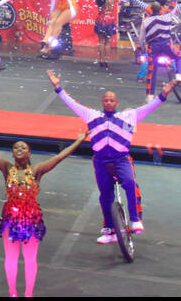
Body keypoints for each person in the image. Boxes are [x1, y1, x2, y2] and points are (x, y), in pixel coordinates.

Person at [46, 68, 174, 243]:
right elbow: (73, 104)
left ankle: (135, 220)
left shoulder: (129, 116)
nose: (108, 102)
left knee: (129, 184)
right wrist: (58, 88)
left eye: (111, 100)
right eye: (105, 100)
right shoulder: (91, 115)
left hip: (121, 159)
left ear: (116, 102)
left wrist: (163, 95)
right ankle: (110, 231)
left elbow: (149, 107)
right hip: (100, 161)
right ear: (102, 102)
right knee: (105, 195)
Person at [0, 118, 85, 297]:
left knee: (30, 260)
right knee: (11, 259)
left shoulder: (37, 171)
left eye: (23, 148)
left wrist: (79, 140)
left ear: (30, 153)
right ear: (12, 153)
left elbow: (59, 157)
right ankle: (12, 293)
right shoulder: (6, 168)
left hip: (31, 219)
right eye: (16, 147)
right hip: (10, 220)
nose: (19, 149)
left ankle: (28, 294)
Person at [139, 0, 180, 96]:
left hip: (153, 47)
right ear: (160, 8)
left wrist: (140, 47)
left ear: (151, 10)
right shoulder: (167, 16)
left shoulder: (146, 21)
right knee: (178, 57)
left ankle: (150, 95)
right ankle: (179, 75)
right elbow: (173, 5)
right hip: (167, 45)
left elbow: (141, 38)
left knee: (152, 72)